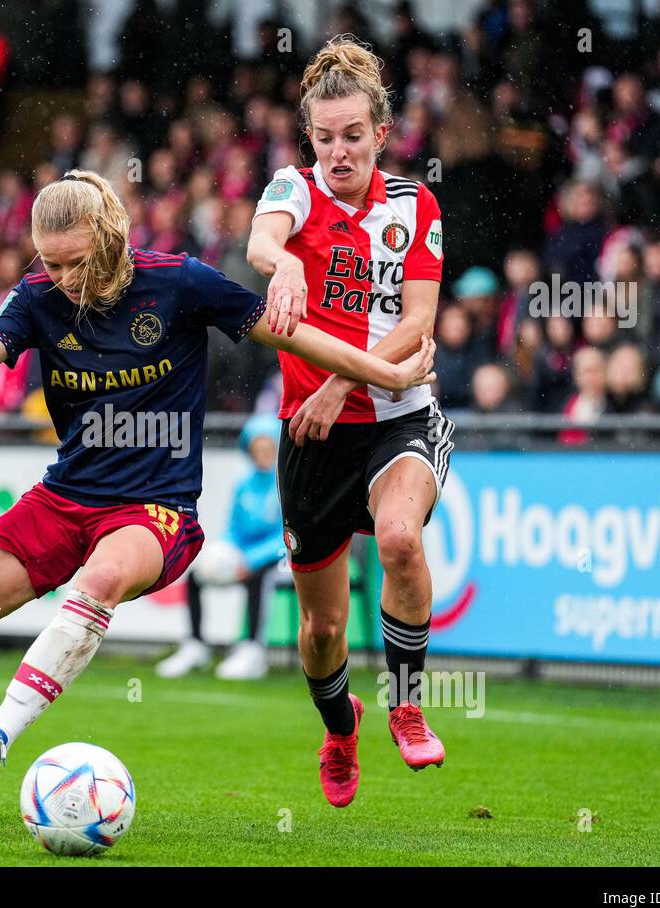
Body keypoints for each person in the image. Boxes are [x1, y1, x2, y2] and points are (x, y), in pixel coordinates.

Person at [0, 169, 436, 819]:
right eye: (48, 263)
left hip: (156, 510)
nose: (61, 278)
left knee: (102, 577)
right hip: (65, 498)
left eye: (74, 262)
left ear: (109, 237)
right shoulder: (37, 298)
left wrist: (382, 371)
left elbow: (293, 337)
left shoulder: (179, 282)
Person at [247, 34, 451, 810]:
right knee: (322, 631)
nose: (339, 152)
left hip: (398, 414)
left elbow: (420, 323)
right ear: (310, 138)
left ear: (382, 133)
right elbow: (260, 238)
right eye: (325, 137)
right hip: (312, 436)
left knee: (400, 538)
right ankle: (341, 727)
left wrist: (339, 378)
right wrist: (285, 261)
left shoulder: (415, 205)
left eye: (353, 136)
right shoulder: (292, 191)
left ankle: (404, 701)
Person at [157, 415, 286, 681]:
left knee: (259, 577)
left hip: (281, 560)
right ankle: (195, 645)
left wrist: (247, 561)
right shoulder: (244, 485)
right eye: (257, 448)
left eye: (268, 447)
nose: (262, 454)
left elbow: (284, 535)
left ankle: (252, 650)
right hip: (243, 558)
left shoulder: (284, 483)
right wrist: (226, 551)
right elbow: (233, 529)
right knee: (195, 577)